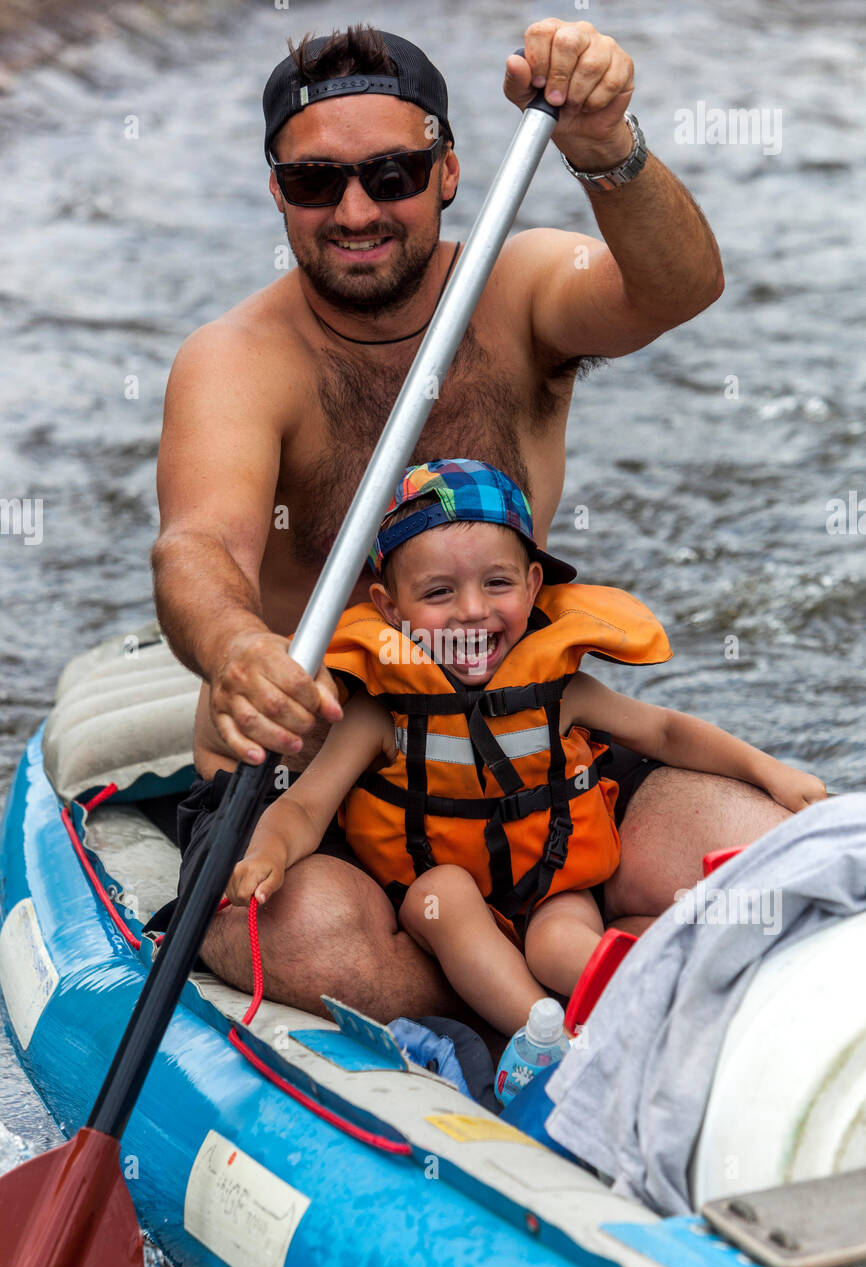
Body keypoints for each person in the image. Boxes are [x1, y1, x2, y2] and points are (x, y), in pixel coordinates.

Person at [151, 21, 773, 1022]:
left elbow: (677, 289)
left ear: (447, 171)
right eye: (316, 184)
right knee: (309, 937)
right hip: (321, 772)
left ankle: (576, 972)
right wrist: (231, 647)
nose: (355, 211)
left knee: (744, 855)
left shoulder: (519, 288)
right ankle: (532, 1007)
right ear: (278, 193)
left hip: (525, 745)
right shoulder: (235, 361)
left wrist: (605, 144)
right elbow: (197, 547)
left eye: (391, 174)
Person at [224, 460, 826, 1037]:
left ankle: (644, 1013)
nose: (472, 611)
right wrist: (269, 855)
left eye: (498, 583)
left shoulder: (561, 693)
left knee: (562, 943)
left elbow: (665, 732)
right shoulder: (380, 714)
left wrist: (766, 769)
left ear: (533, 585)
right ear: (389, 608)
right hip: (439, 907)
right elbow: (306, 805)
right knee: (444, 895)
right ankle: (543, 1042)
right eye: (437, 593)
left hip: (550, 888)